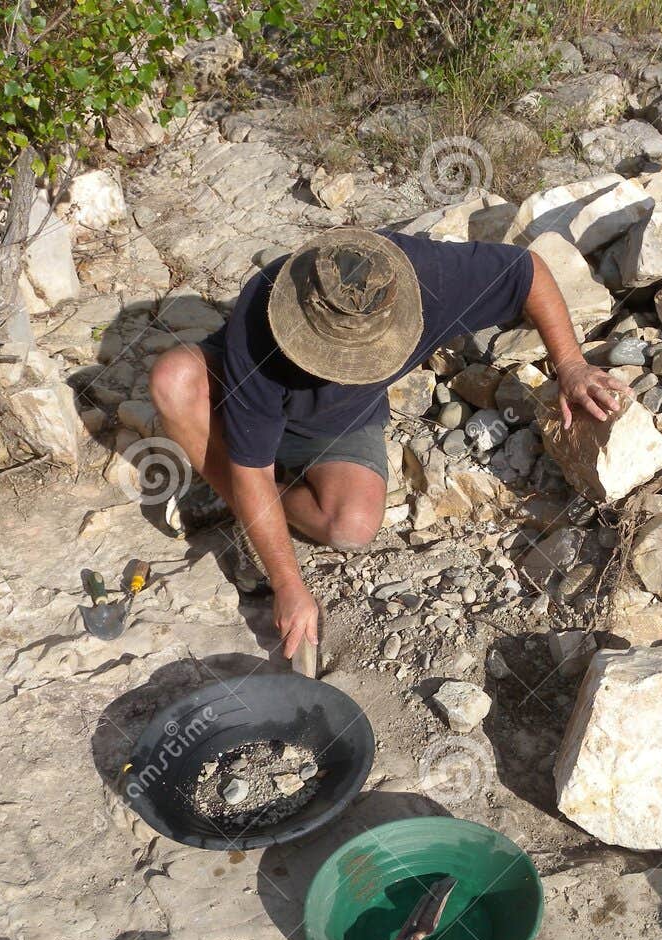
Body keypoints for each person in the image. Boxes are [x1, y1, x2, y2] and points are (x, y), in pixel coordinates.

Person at [150, 228, 628, 659]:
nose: (337, 364)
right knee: (175, 379)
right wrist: (288, 583)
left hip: (337, 421)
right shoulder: (264, 319)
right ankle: (235, 496)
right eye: (327, 355)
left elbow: (528, 272)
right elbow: (250, 468)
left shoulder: (427, 277)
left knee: (351, 528)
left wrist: (570, 365)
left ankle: (266, 501)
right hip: (246, 400)